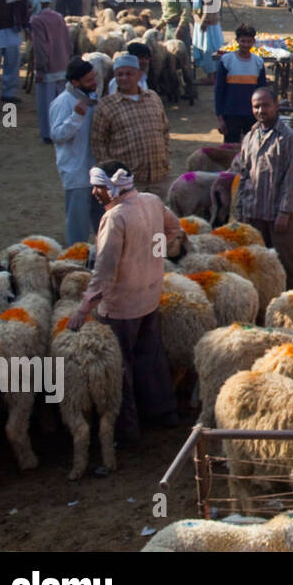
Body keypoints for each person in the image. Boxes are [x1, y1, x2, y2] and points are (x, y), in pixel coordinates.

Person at [68, 162, 184, 444]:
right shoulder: (152, 201)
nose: (94, 192)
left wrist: (83, 309)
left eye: (98, 186)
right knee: (152, 357)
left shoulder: (115, 218)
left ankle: (127, 430)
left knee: (121, 367)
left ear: (112, 187)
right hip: (150, 294)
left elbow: (104, 271)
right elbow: (175, 228)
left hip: (121, 306)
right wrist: (154, 254)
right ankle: (163, 413)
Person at [228, 88, 293, 290]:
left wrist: (285, 212)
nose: (260, 110)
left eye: (265, 105)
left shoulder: (289, 138)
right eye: (256, 106)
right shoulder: (250, 136)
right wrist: (240, 210)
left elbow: (292, 177)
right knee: (257, 262)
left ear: (276, 106)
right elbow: (244, 174)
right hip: (254, 210)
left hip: (279, 215)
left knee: (291, 263)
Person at [90, 53, 172, 197]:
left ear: (139, 75)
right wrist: (112, 174)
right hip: (129, 182)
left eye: (129, 74)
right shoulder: (106, 105)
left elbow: (164, 130)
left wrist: (164, 156)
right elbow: (98, 143)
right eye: (119, 74)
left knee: (159, 217)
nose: (124, 78)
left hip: (160, 178)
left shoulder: (152, 98)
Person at [50, 58, 103, 244]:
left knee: (102, 220)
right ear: (75, 82)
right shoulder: (63, 102)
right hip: (76, 171)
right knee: (77, 225)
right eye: (88, 80)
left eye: (93, 78)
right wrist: (76, 117)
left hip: (96, 169)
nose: (93, 82)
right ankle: (76, 259)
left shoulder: (93, 98)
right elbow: (56, 135)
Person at [215, 25, 269, 142]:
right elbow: (219, 90)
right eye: (243, 41)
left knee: (254, 147)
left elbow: (262, 91)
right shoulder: (226, 60)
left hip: (252, 114)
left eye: (249, 41)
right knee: (231, 148)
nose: (245, 44)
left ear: (253, 42)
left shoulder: (258, 62)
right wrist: (220, 117)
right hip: (231, 113)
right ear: (237, 41)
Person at [28, 2, 73, 143]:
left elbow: (40, 46)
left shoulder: (36, 20)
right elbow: (68, 40)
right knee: (62, 101)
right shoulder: (58, 16)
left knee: (46, 103)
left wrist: (40, 68)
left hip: (48, 69)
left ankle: (48, 134)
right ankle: (63, 131)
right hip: (63, 64)